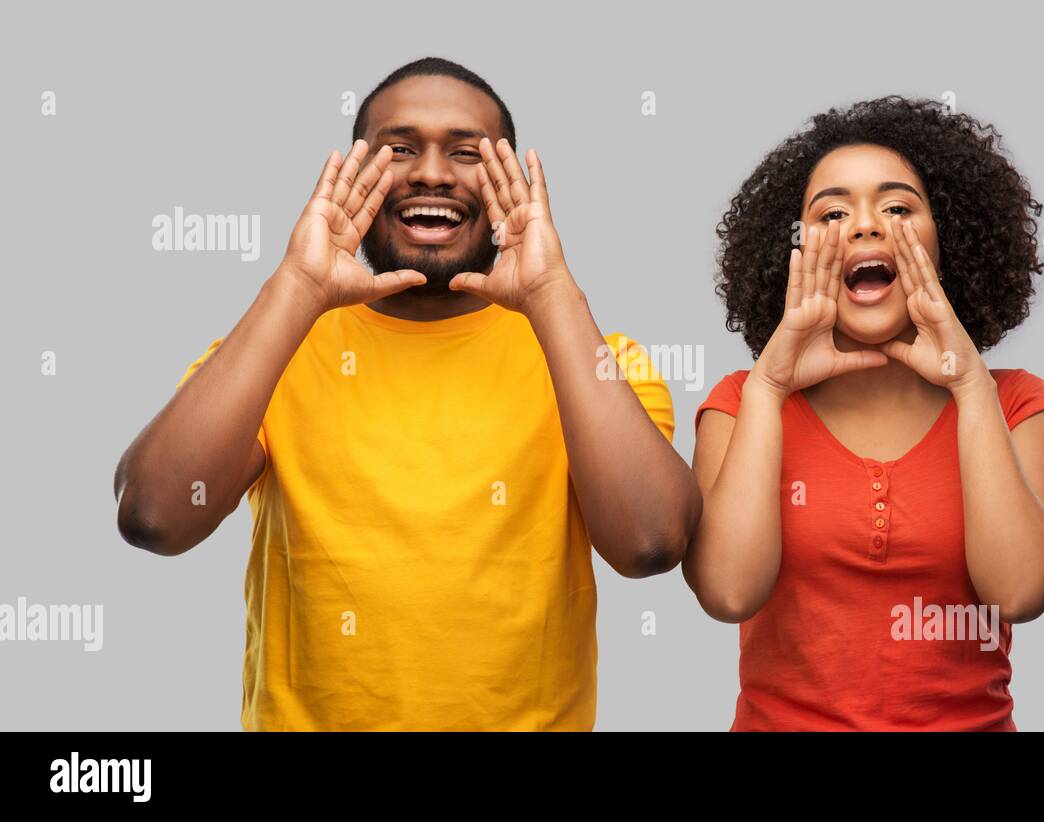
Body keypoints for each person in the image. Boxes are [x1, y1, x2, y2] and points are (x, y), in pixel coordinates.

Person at [113, 57, 701, 731]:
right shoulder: (277, 352)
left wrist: (550, 292)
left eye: (466, 152)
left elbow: (651, 542)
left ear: (514, 184)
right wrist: (296, 287)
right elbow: (154, 515)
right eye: (399, 149)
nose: (430, 172)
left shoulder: (596, 360)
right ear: (354, 177)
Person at [687, 97, 1044, 731]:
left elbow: (1022, 591)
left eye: (897, 207)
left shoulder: (1018, 404)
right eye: (832, 213)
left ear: (946, 238)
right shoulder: (740, 402)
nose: (866, 226)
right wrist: (769, 387)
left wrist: (970, 385)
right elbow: (727, 592)